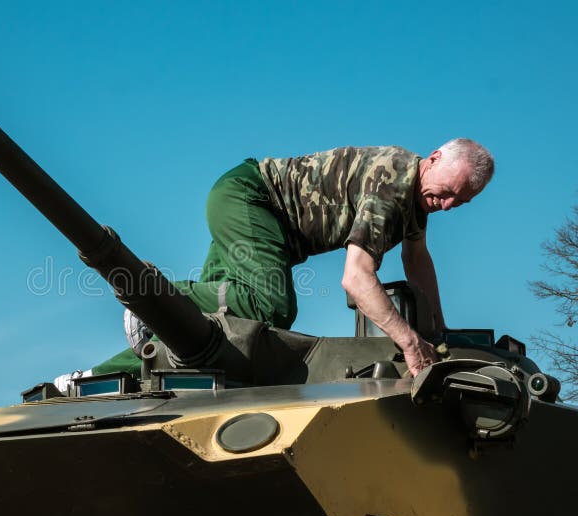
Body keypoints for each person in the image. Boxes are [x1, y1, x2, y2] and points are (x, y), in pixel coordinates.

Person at [53, 139, 494, 391]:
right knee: (271, 306)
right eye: (449, 191)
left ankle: (88, 380)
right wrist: (410, 342)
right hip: (251, 200)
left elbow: (418, 264)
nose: (450, 205)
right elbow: (357, 279)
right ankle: (148, 291)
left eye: (462, 202)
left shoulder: (416, 205)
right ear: (433, 158)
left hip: (258, 223)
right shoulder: (393, 184)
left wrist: (440, 333)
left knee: (203, 344)